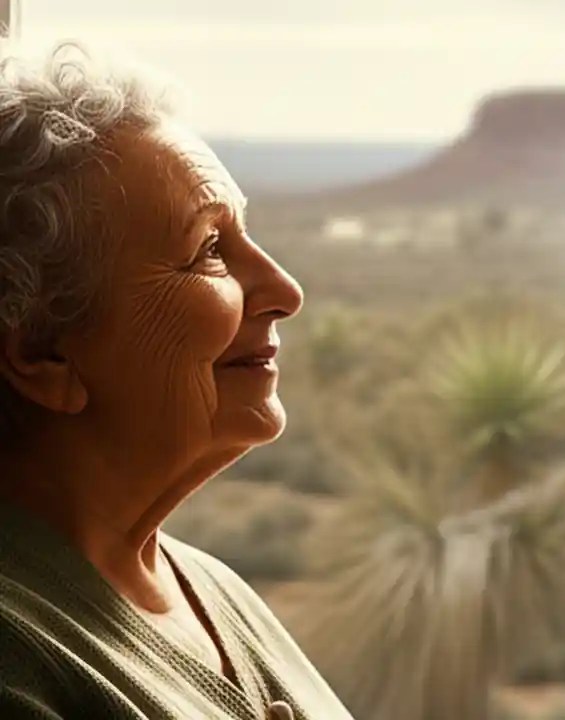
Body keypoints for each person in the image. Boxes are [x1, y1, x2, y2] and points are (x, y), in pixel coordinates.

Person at [0, 43, 353, 719]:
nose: (285, 290)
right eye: (209, 249)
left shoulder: (215, 590)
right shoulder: (16, 654)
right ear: (44, 351)